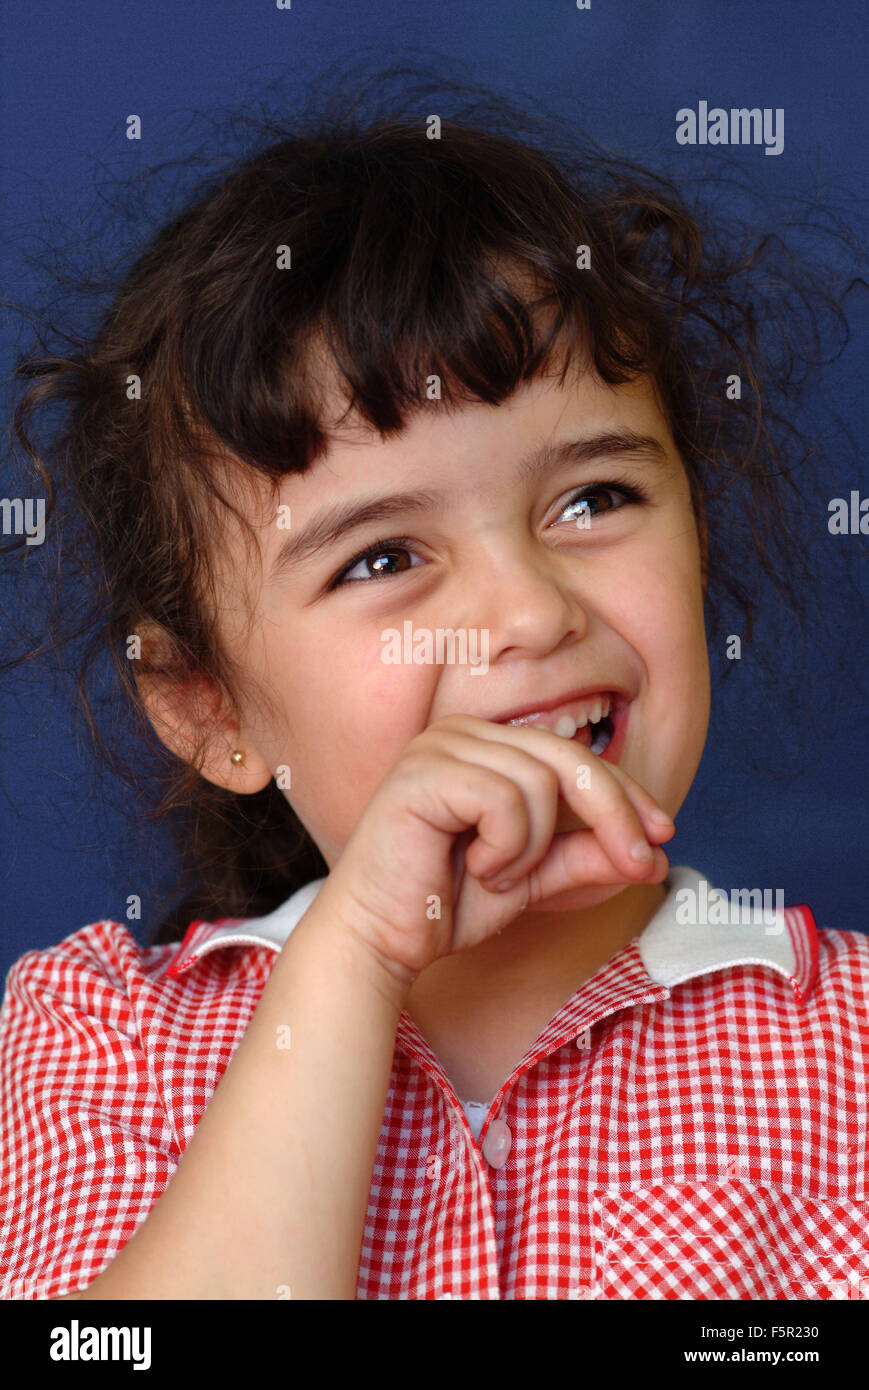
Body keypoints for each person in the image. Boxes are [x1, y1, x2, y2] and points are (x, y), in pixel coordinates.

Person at [1, 87, 866, 1301]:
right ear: (208, 708)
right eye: (381, 558)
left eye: (594, 499)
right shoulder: (103, 1039)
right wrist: (351, 957)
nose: (528, 611)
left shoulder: (847, 1046)